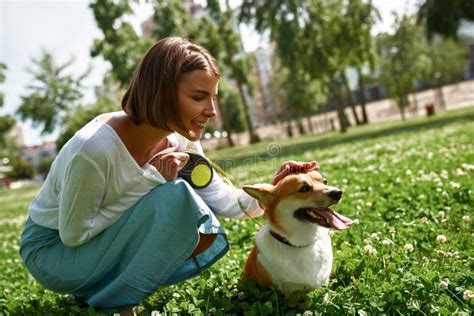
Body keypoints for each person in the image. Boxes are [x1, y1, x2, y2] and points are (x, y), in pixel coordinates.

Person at [19, 37, 318, 314]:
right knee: (174, 197)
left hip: (94, 244)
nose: (211, 111)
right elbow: (74, 234)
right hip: (52, 253)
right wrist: (150, 180)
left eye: (213, 97)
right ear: (161, 92)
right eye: (199, 97)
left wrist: (277, 190)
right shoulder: (94, 149)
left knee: (191, 216)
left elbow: (225, 201)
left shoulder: (179, 138)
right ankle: (113, 298)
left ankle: (106, 292)